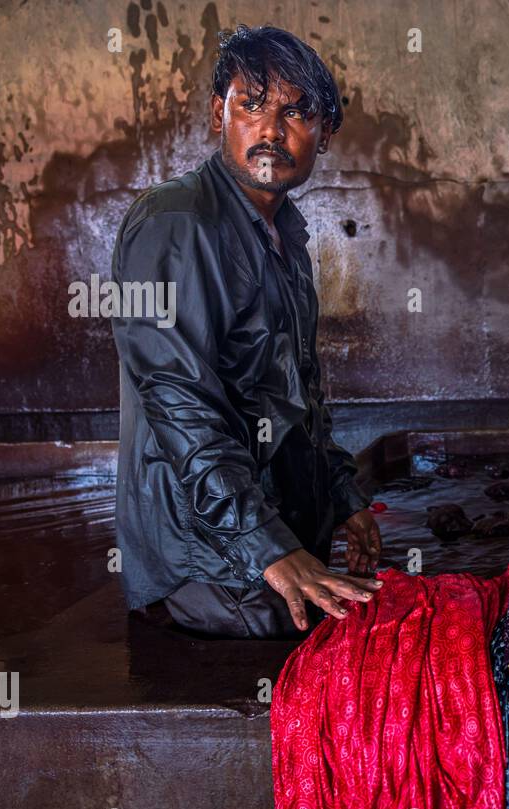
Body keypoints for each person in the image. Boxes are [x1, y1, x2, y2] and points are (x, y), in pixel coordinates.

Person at [110, 25, 381, 638]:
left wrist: (342, 498)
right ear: (218, 113)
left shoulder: (287, 235)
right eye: (250, 105)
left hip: (268, 543)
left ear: (324, 135)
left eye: (295, 112)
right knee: (319, 660)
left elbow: (298, 391)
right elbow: (178, 401)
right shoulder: (176, 223)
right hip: (207, 563)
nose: (271, 129)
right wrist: (264, 546)